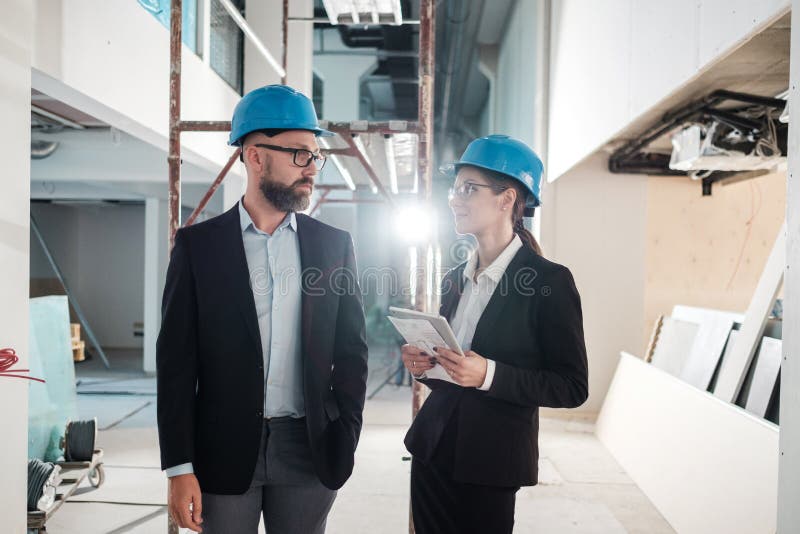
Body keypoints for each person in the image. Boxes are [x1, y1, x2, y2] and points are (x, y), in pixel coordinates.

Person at [156, 84, 369, 533]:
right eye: (299, 154)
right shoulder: (198, 247)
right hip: (222, 445)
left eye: (315, 156)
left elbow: (352, 352)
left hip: (308, 447)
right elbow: (176, 364)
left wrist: (346, 432)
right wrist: (179, 466)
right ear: (255, 156)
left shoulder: (333, 246)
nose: (311, 168)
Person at [402, 134, 589, 534]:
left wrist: (488, 374)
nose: (455, 199)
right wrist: (425, 365)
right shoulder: (455, 278)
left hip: (492, 461)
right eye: (454, 189)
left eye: (469, 189)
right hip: (432, 447)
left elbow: (572, 387)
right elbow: (451, 372)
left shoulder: (549, 282)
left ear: (507, 199)